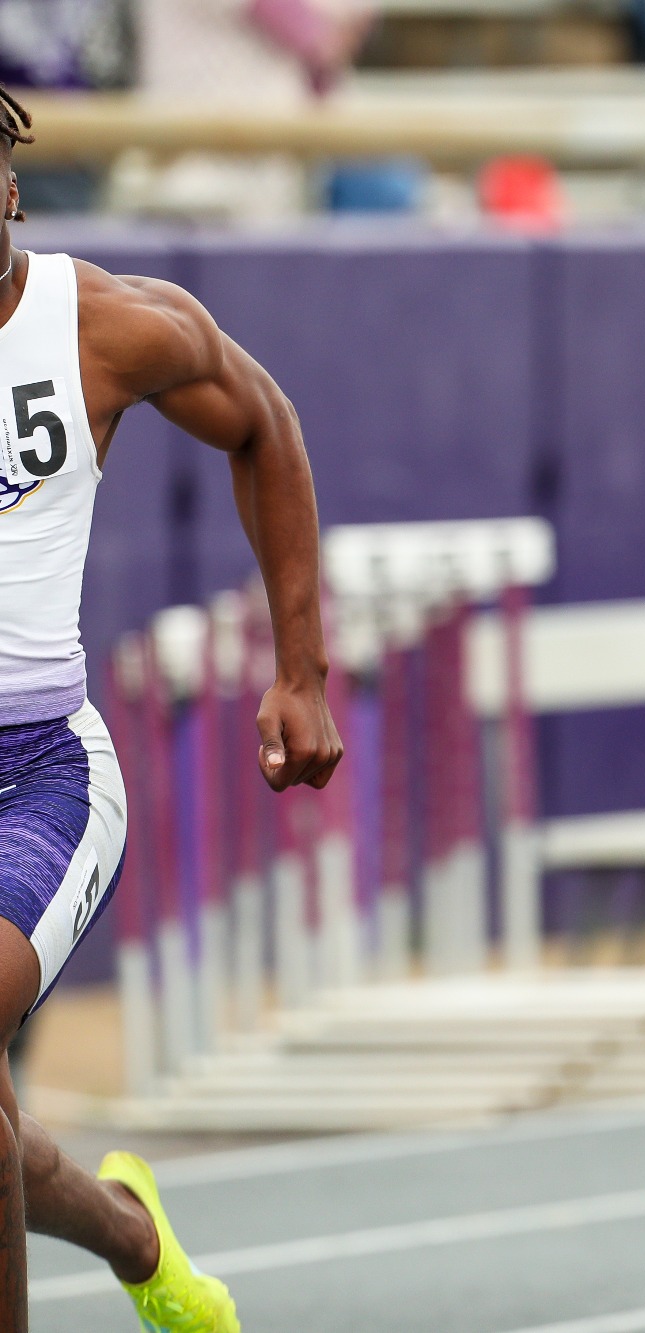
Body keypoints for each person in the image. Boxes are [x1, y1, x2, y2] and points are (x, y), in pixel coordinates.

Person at [0, 87, 341, 1331]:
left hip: (37, 772)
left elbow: (264, 428)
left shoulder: (102, 327)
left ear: (13, 186)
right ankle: (138, 1242)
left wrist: (300, 671)